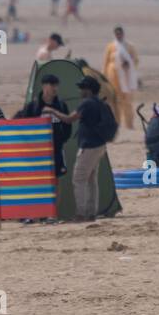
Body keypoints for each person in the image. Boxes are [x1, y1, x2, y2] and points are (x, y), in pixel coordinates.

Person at [46, 76, 115, 222]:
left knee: (79, 179)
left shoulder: (87, 103)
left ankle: (81, 213)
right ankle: (91, 213)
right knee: (91, 180)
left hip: (89, 146)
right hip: (100, 145)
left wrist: (52, 111)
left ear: (88, 90)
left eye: (82, 88)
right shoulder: (99, 103)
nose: (80, 91)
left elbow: (69, 119)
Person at [22, 74, 70, 176]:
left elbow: (67, 125)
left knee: (56, 178)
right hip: (37, 150)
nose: (55, 88)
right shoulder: (32, 106)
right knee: (38, 178)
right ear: (44, 86)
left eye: (56, 85)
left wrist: (61, 139)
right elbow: (23, 126)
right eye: (52, 85)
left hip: (56, 150)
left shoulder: (61, 105)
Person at [102, 26, 139, 130]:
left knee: (127, 102)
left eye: (120, 33)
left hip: (126, 79)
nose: (119, 35)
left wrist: (128, 65)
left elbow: (135, 60)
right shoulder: (110, 46)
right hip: (113, 77)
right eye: (117, 34)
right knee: (114, 101)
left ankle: (129, 124)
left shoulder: (130, 46)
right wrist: (104, 77)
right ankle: (116, 123)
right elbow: (105, 62)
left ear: (123, 34)